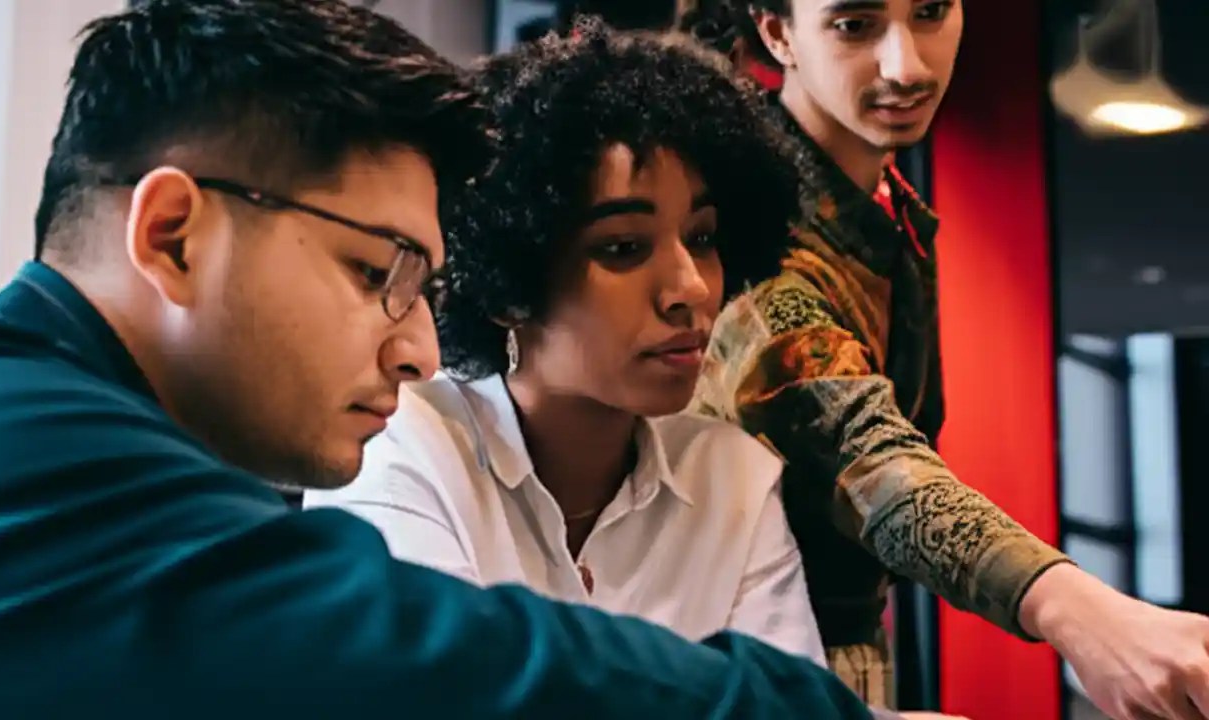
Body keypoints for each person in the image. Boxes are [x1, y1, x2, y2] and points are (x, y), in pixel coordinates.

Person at [0, 1, 875, 718]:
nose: (421, 349)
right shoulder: (24, 453)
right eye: (377, 270)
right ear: (176, 235)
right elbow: (426, 658)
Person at [306, 21, 962, 720]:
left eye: (703, 238)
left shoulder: (731, 477)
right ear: (507, 285)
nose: (691, 288)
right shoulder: (400, 447)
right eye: (622, 247)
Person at [672, 0, 1209, 717]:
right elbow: (869, 455)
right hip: (741, 662)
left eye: (930, 12)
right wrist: (1075, 609)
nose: (909, 66)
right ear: (777, 32)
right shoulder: (750, 233)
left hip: (840, 652)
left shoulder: (882, 205)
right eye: (854, 25)